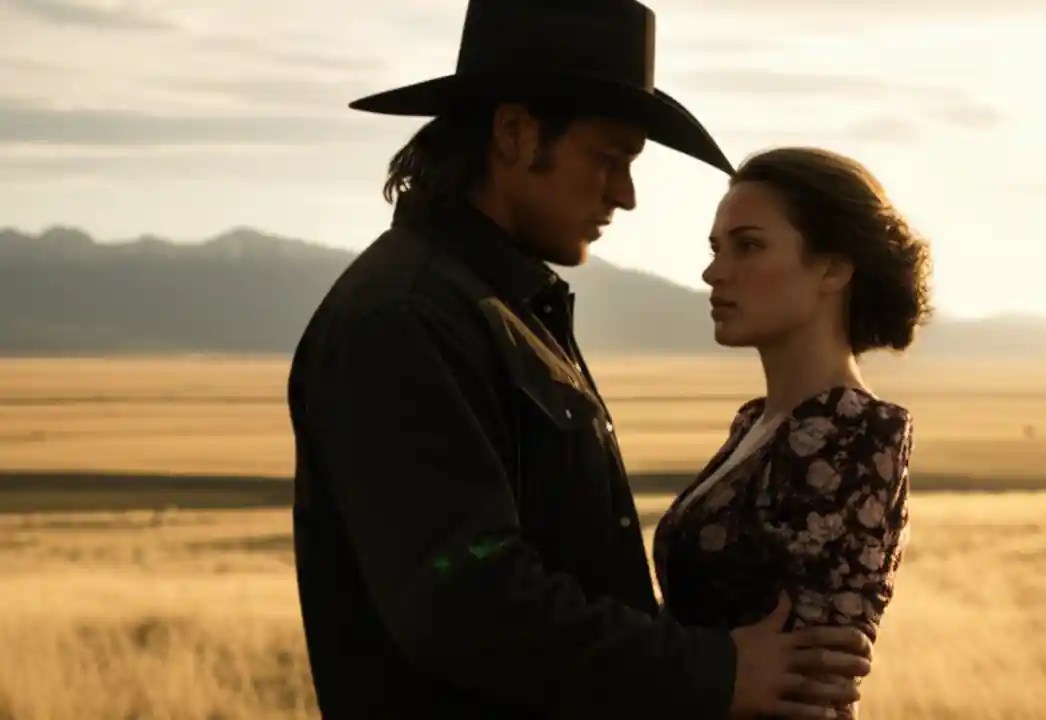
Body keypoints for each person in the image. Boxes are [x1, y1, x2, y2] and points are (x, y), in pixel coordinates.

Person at [287, 1, 874, 718]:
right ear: (513, 133)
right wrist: (713, 672)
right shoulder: (407, 319)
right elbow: (464, 603)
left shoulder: (498, 312)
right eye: (610, 158)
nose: (625, 195)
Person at [653, 147, 933, 719]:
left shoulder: (855, 432)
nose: (714, 272)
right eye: (716, 248)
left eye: (749, 245)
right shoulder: (756, 425)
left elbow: (806, 683)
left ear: (833, 268)